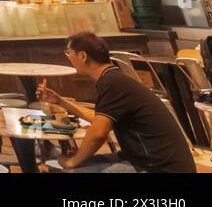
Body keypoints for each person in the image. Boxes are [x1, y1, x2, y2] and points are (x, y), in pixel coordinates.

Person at [37, 31, 196, 173]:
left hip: (158, 166)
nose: (68, 57)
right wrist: (59, 100)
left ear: (82, 56)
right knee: (71, 164)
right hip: (141, 158)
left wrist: (72, 161)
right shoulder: (113, 78)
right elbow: (98, 119)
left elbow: (98, 134)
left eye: (68, 52)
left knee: (72, 169)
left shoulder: (111, 83)